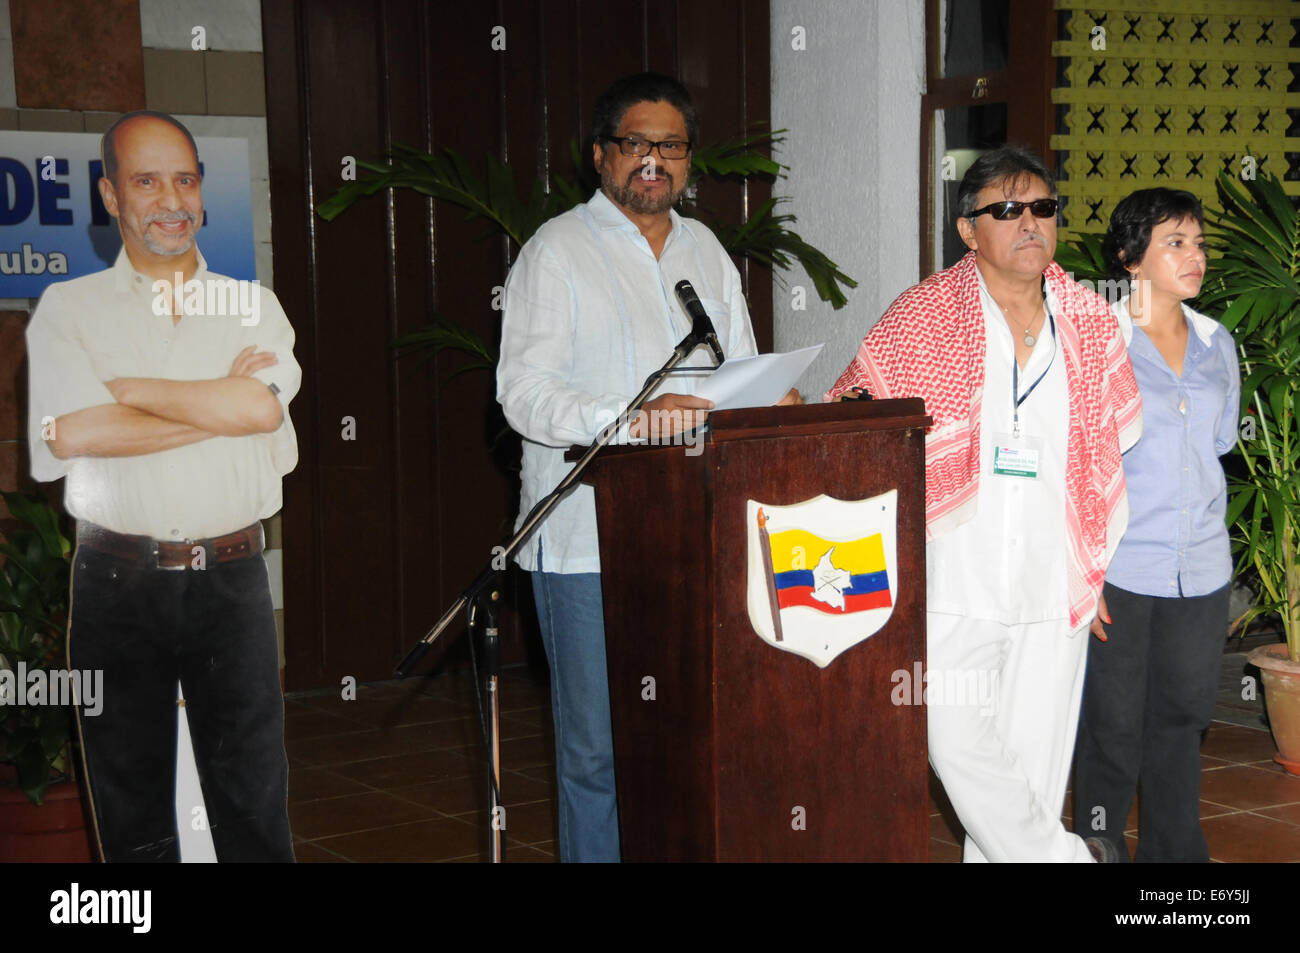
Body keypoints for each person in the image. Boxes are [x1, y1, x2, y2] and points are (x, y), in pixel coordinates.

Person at [497, 72, 787, 862]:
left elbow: (741, 371)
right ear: (601, 155)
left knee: (682, 739)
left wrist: (777, 400)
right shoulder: (556, 251)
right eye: (636, 143)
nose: (653, 160)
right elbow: (522, 394)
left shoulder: (707, 250)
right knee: (597, 753)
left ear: (689, 160)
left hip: (696, 534)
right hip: (587, 542)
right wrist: (628, 421)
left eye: (671, 145)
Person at [826, 146, 1142, 862]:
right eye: (1006, 209)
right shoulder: (922, 315)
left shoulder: (1092, 322)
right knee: (950, 730)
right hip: (955, 572)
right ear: (968, 231)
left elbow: (1107, 457)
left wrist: (1092, 569)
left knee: (1032, 770)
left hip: (1050, 574)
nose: (1029, 222)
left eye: (1042, 207)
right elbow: (858, 408)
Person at [25, 110, 300, 862]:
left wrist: (128, 390)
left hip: (233, 578)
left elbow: (258, 405)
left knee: (252, 801)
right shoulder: (68, 312)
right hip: (116, 584)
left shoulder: (254, 306)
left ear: (203, 193)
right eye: (146, 181)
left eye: (184, 179)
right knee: (131, 806)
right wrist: (216, 405)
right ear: (111, 196)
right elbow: (70, 435)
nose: (170, 199)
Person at [1072, 189, 1240, 862]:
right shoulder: (1096, 340)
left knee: (1180, 722)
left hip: (1200, 569)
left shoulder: (1216, 342)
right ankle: (1099, 847)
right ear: (1130, 258)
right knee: (1112, 728)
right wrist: (1084, 572)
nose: (1193, 255)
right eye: (1175, 241)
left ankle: (1176, 865)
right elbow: (1073, 462)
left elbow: (1219, 446)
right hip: (1121, 570)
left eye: (1197, 242)